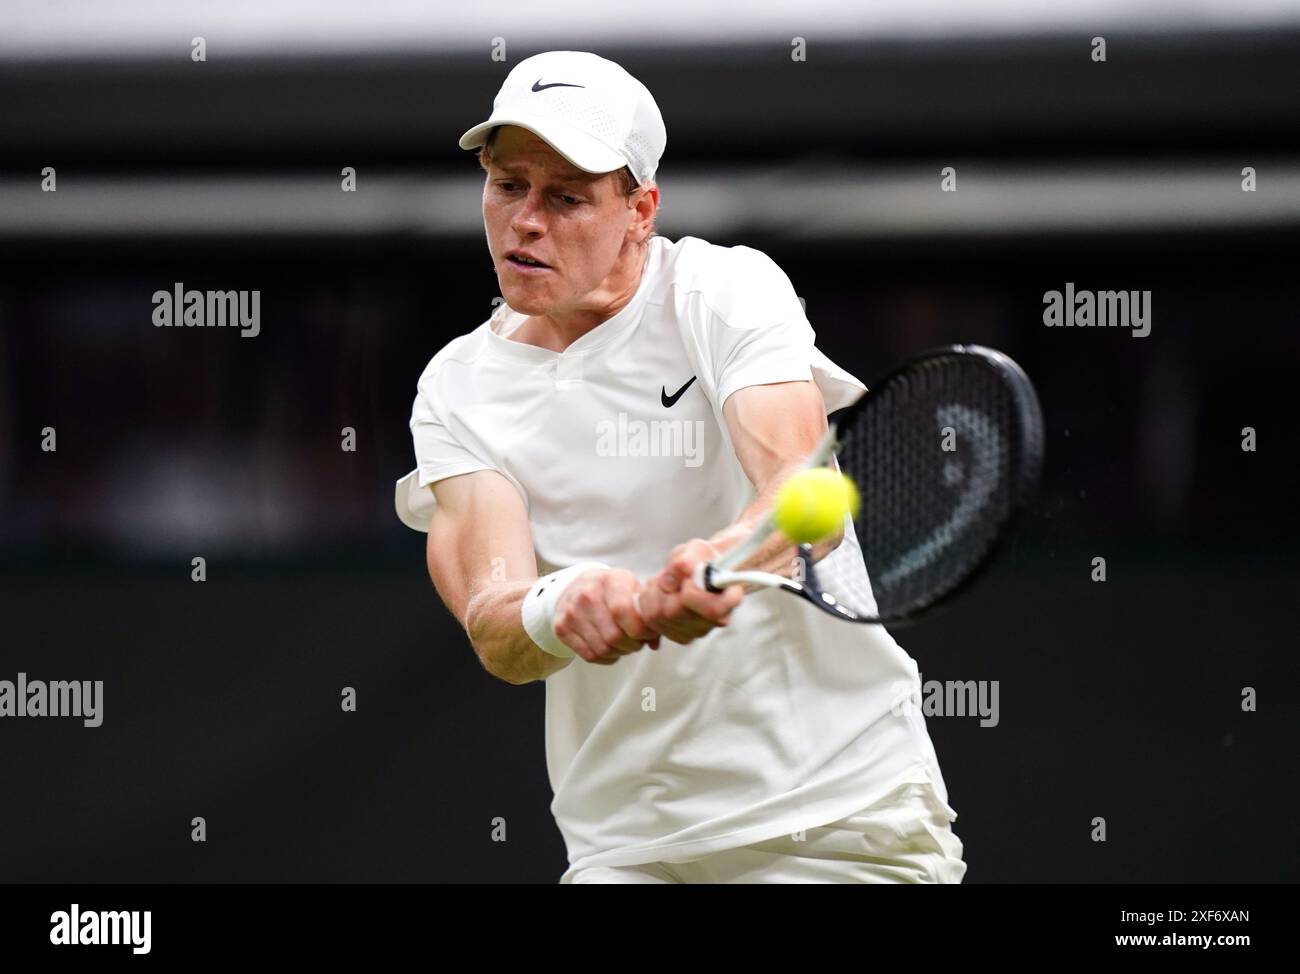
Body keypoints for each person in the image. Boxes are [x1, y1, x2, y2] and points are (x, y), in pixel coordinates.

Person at [395, 50, 966, 884]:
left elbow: (800, 487)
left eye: (566, 197)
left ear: (639, 211)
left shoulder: (723, 290)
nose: (525, 220)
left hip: (839, 822)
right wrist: (562, 606)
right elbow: (494, 620)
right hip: (629, 849)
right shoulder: (455, 388)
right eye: (507, 184)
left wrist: (720, 562)